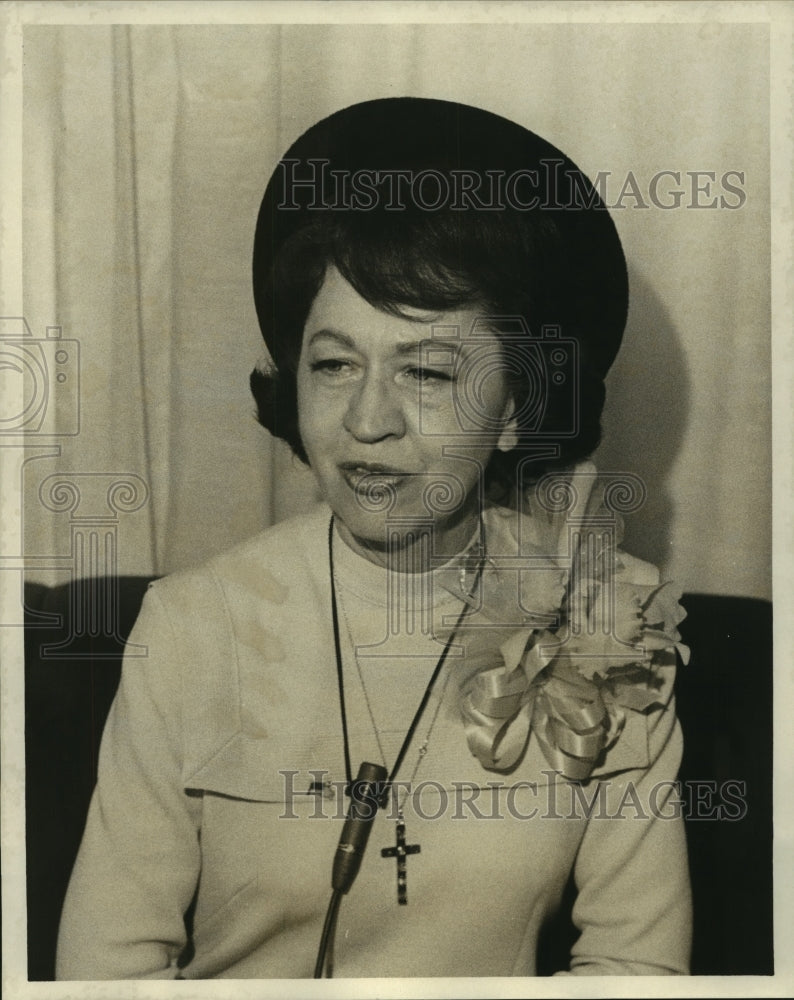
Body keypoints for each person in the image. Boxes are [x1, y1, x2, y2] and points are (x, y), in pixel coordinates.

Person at [56, 97, 692, 979]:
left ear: (514, 410)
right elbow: (106, 971)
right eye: (334, 363)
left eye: (427, 372)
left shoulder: (612, 627)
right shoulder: (192, 626)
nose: (365, 420)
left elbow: (639, 966)